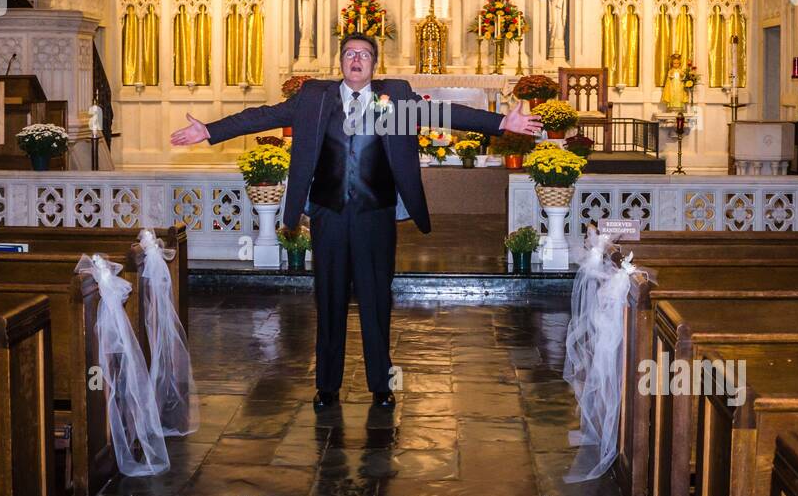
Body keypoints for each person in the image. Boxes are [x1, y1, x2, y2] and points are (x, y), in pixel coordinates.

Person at [171, 32, 542, 410]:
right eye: (349, 53)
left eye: (363, 54)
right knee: (329, 299)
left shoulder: (393, 97)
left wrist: (500, 123)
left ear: (374, 64)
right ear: (341, 62)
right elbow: (264, 115)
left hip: (375, 213)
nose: (356, 60)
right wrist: (210, 130)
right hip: (328, 213)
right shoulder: (315, 97)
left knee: (376, 299)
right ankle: (327, 387)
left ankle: (381, 385)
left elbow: (443, 112)